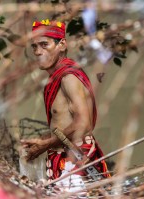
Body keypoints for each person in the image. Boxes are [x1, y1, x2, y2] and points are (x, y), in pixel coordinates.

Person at [21, 19, 110, 188]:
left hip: (75, 163)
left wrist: (45, 144)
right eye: (34, 46)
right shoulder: (56, 78)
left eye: (44, 45)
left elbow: (83, 124)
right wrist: (43, 141)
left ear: (61, 45)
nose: (38, 52)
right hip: (64, 160)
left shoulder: (68, 78)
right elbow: (63, 123)